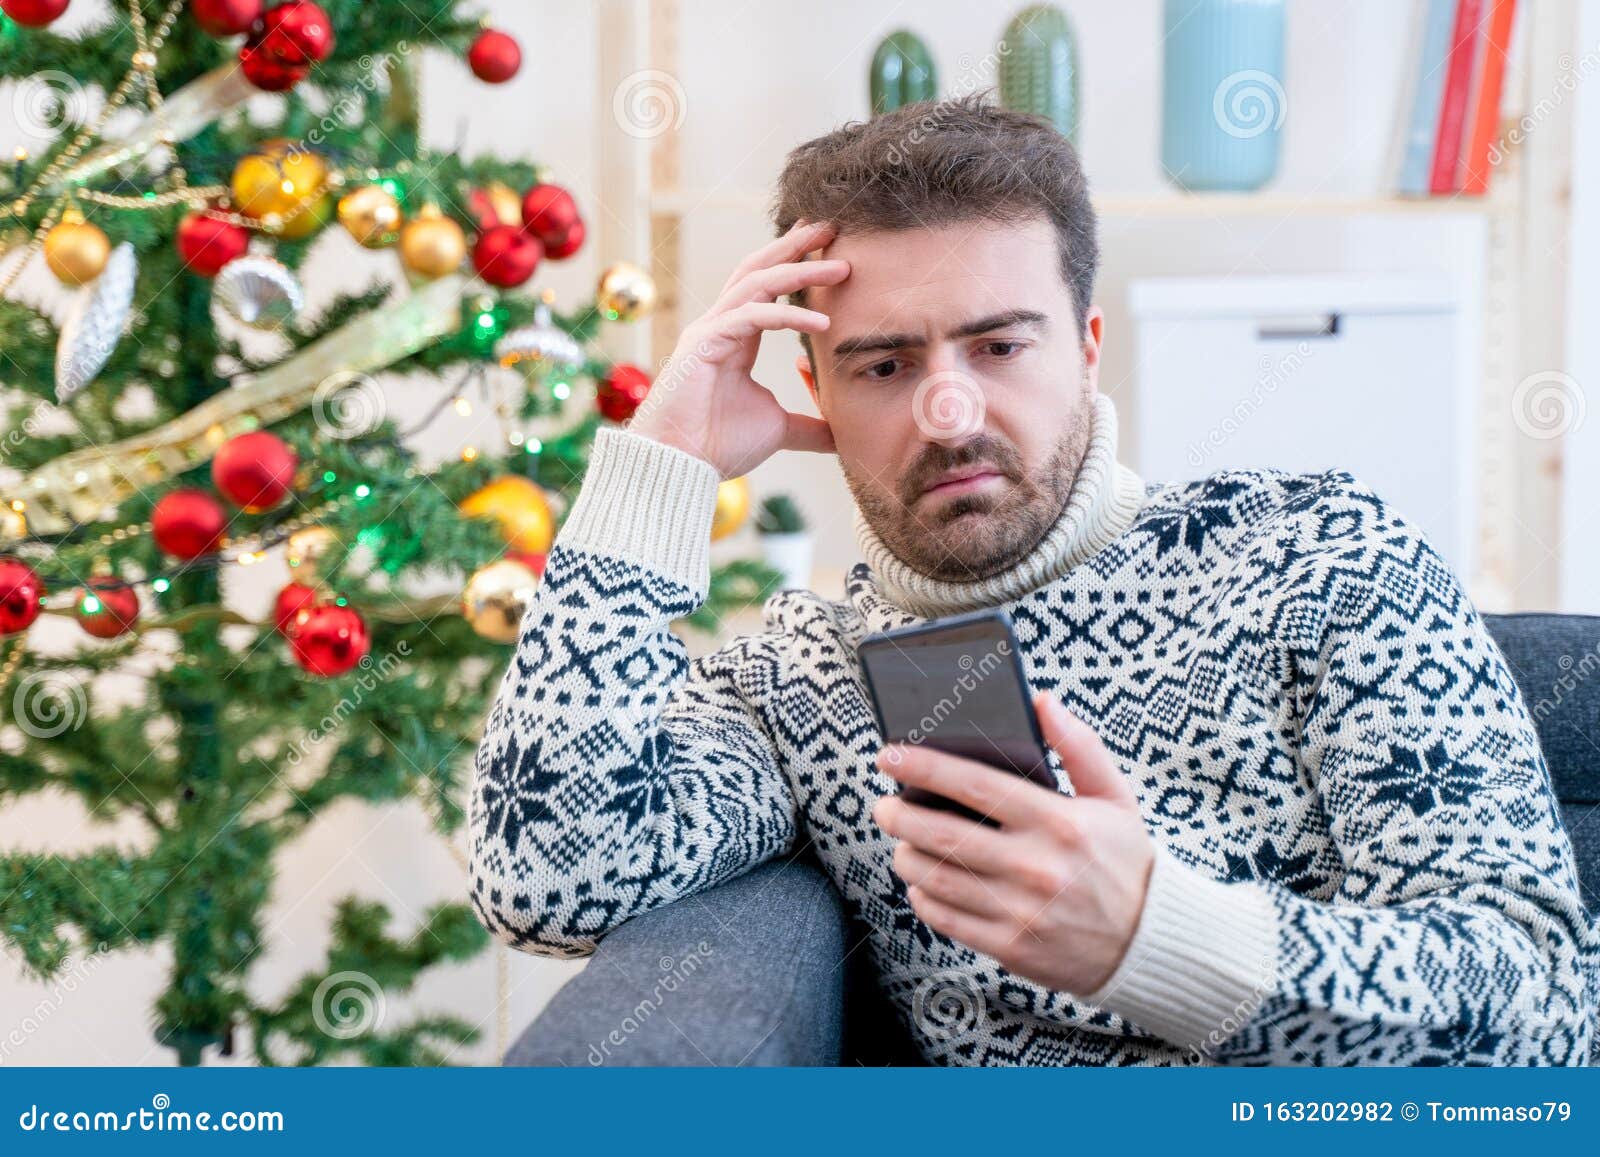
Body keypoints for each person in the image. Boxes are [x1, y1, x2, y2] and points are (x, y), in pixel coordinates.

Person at [468, 93, 1597, 1065]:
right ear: (814, 388)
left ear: (1088, 346)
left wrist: (1158, 938)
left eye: (1000, 346)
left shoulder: (1319, 554)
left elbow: (1542, 1011)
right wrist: (658, 467)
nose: (949, 413)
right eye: (884, 364)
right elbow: (550, 877)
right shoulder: (798, 679)